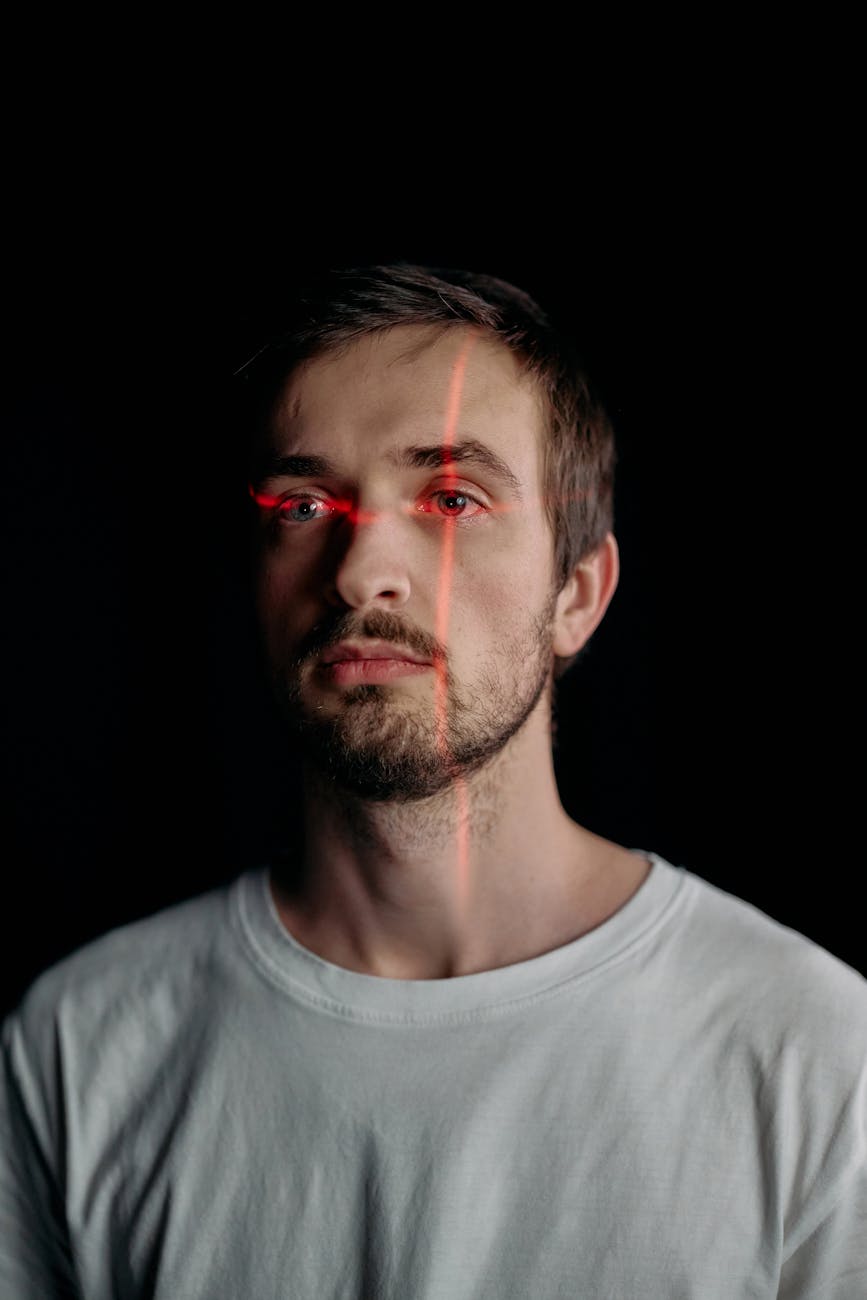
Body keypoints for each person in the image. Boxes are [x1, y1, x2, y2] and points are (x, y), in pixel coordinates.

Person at [1, 265, 864, 1299]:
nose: (363, 572)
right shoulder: (81, 1044)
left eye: (453, 497)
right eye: (305, 502)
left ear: (577, 595)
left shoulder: (812, 1051)